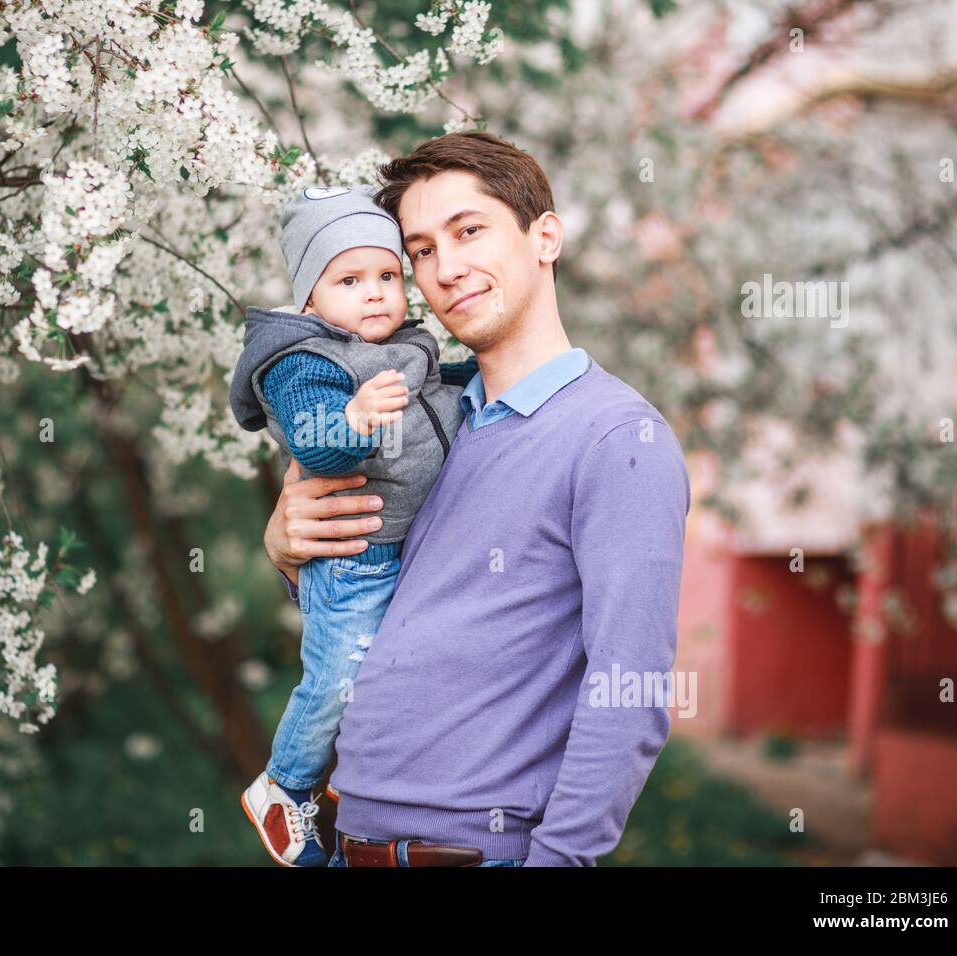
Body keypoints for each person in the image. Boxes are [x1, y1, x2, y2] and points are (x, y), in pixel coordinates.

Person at [261, 131, 691, 867]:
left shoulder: (616, 439)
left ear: (544, 237)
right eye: (421, 251)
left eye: (469, 231)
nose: (446, 268)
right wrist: (288, 550)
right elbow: (392, 613)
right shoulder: (427, 421)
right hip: (349, 845)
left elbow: (631, 686)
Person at [229, 184, 477, 865]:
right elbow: (316, 441)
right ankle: (284, 786)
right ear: (310, 298)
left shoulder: (399, 344)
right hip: (352, 559)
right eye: (349, 279)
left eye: (389, 276)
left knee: (388, 669)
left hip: (399, 551)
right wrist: (356, 420)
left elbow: (438, 385)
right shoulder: (304, 362)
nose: (375, 293)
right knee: (340, 671)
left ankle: (352, 773)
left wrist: (480, 371)